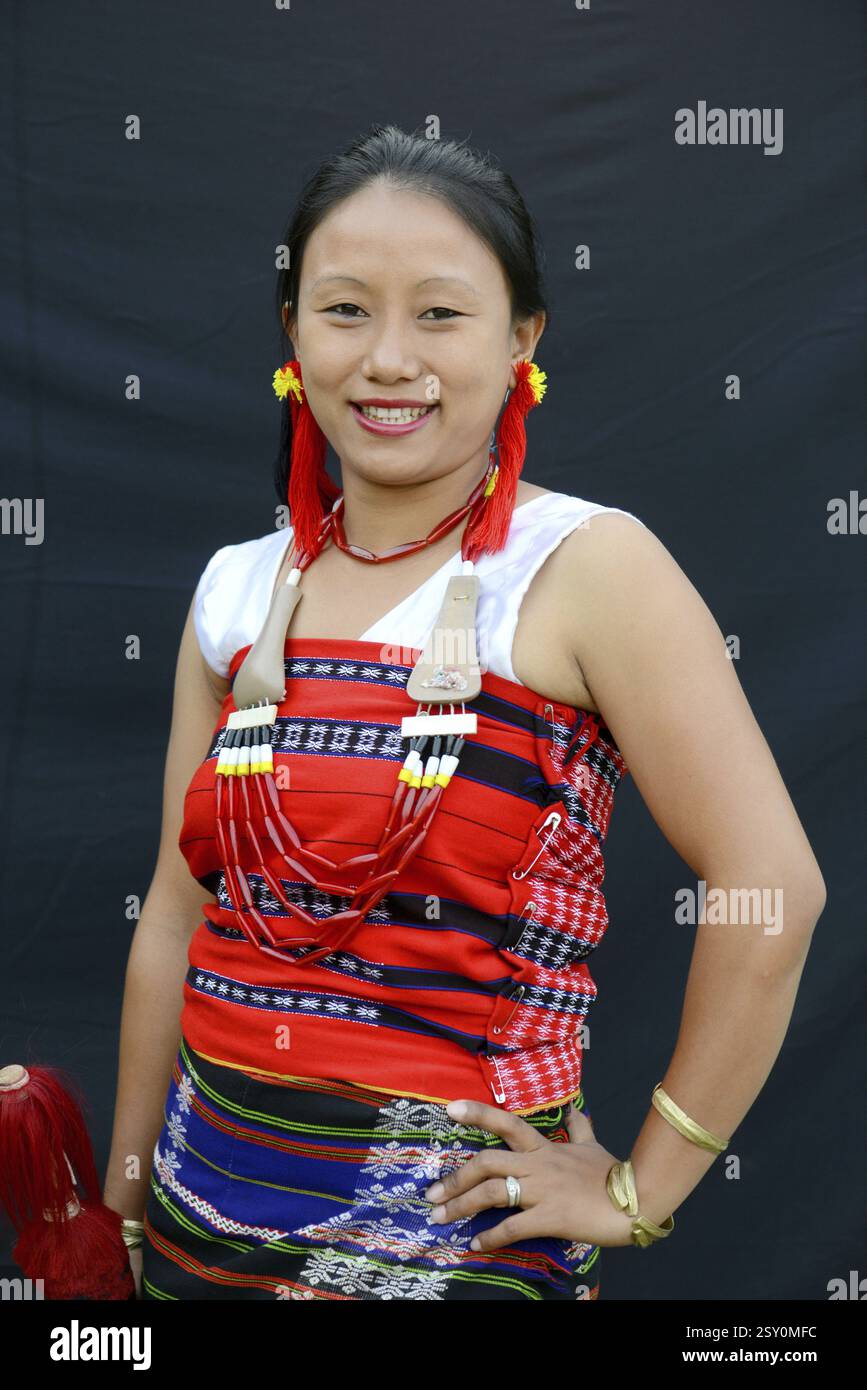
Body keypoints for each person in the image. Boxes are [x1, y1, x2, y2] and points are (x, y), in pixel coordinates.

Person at [103, 124, 826, 1301]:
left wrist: (641, 1190)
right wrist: (121, 1216)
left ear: (523, 337)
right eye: (344, 310)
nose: (390, 359)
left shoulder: (589, 567)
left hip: (451, 1257)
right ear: (293, 334)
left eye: (440, 314)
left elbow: (773, 892)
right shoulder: (238, 589)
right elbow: (174, 924)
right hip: (202, 1230)